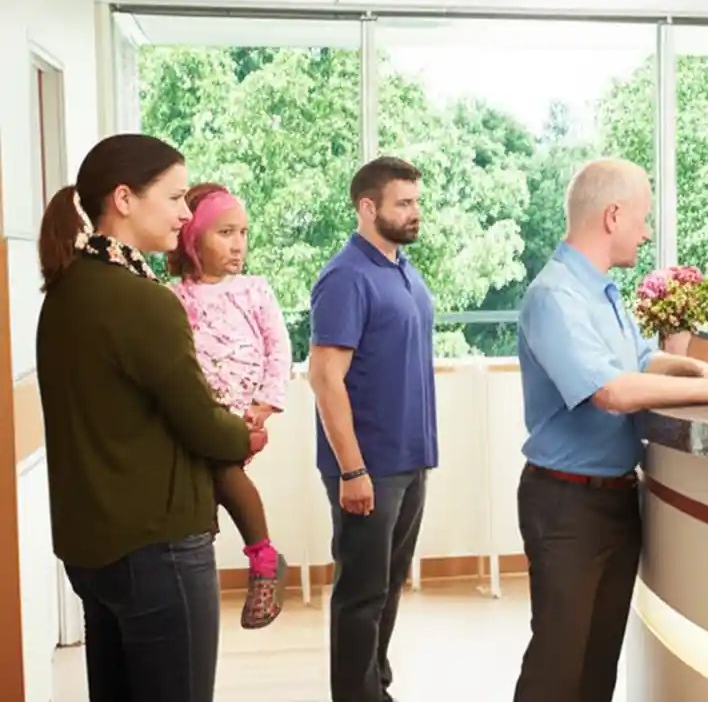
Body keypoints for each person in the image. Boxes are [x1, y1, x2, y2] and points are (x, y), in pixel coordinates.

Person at [513, 157, 708, 702]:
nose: (646, 230)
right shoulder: (556, 295)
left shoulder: (602, 292)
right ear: (612, 216)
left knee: (596, 668)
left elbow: (642, 361)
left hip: (612, 500)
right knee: (557, 670)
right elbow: (614, 391)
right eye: (642, 217)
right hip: (565, 505)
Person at [36, 133, 267, 702]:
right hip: (156, 546)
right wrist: (245, 432)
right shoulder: (143, 300)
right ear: (123, 199)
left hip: (92, 547)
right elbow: (201, 424)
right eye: (175, 198)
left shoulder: (65, 291)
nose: (185, 214)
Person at [308, 156, 437, 702]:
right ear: (367, 208)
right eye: (402, 203)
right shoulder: (346, 277)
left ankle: (374, 686)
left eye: (416, 201)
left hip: (410, 460)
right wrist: (352, 469)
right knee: (361, 593)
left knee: (387, 587)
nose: (415, 213)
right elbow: (324, 376)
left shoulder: (403, 269)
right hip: (369, 467)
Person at [166, 182, 291, 629]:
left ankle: (263, 559)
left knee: (220, 471)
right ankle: (226, 558)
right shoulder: (173, 297)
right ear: (192, 238)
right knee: (209, 478)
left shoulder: (253, 291)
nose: (238, 244)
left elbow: (279, 348)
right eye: (225, 233)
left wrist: (265, 404)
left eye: (243, 233)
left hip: (241, 416)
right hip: (197, 415)